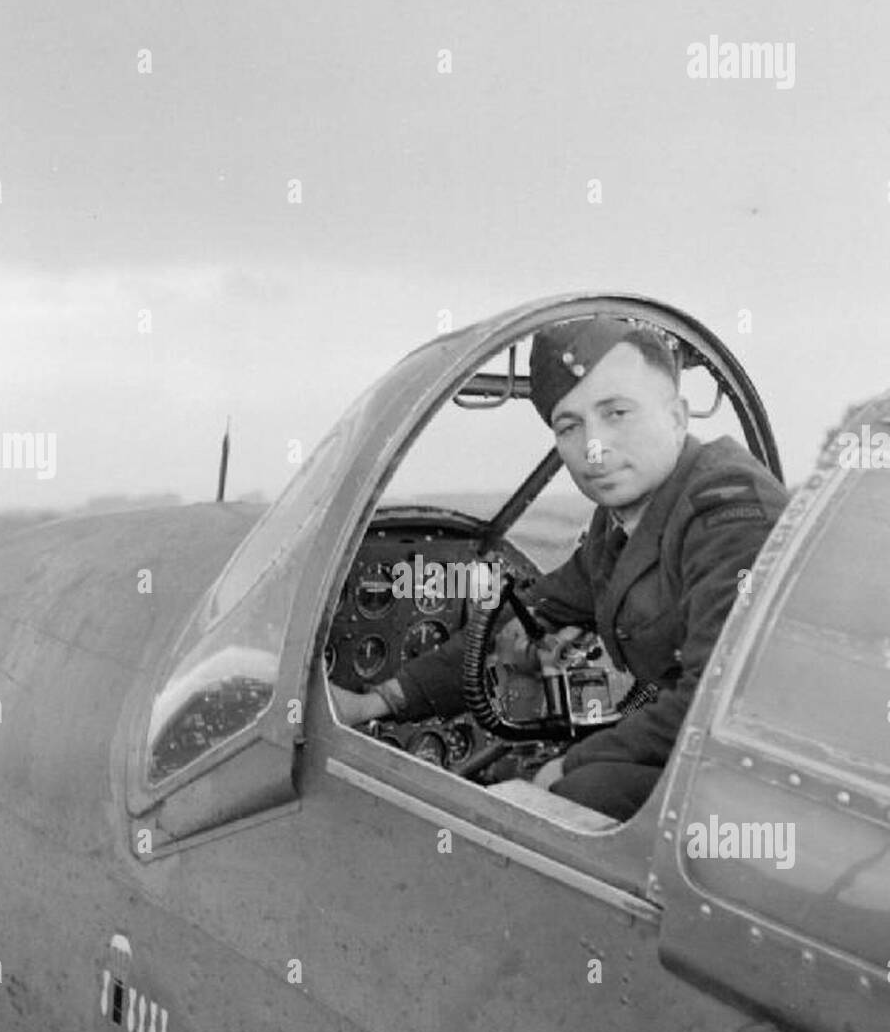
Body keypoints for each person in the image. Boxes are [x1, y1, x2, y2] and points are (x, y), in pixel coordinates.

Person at [331, 316, 788, 822]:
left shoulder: (730, 517)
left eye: (617, 413)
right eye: (570, 426)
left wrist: (567, 767)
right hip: (706, 756)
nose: (594, 448)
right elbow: (522, 612)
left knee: (574, 792)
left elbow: (715, 701)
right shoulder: (620, 527)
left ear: (677, 417)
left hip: (767, 780)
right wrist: (377, 702)